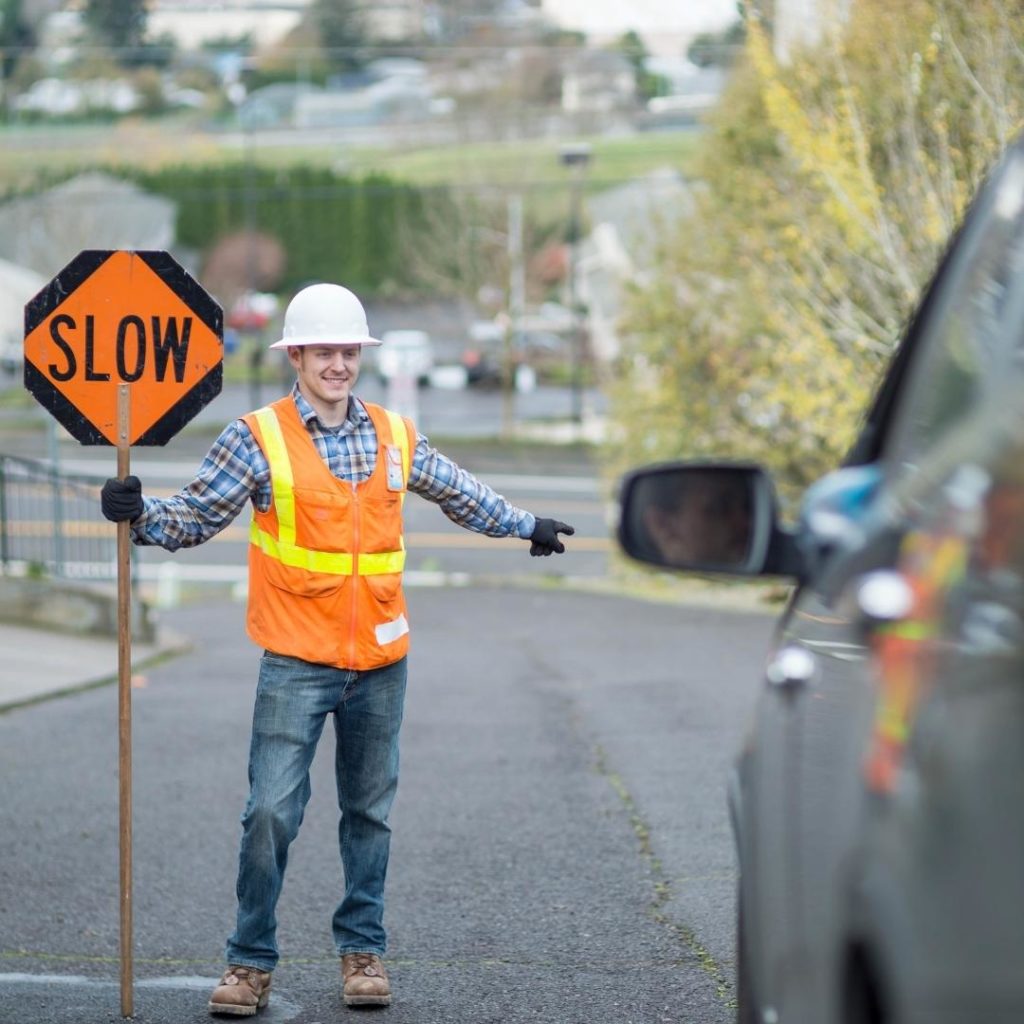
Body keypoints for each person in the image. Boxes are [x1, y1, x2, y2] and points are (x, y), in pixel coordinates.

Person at [100, 282, 574, 1016]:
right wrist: (139, 515)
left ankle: (363, 952)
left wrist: (526, 524)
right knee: (270, 814)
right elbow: (192, 518)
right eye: (323, 351)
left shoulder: (393, 434)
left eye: (348, 351)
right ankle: (249, 962)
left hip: (380, 664)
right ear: (295, 356)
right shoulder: (256, 438)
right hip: (295, 660)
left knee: (369, 815)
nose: (338, 364)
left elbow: (459, 491)